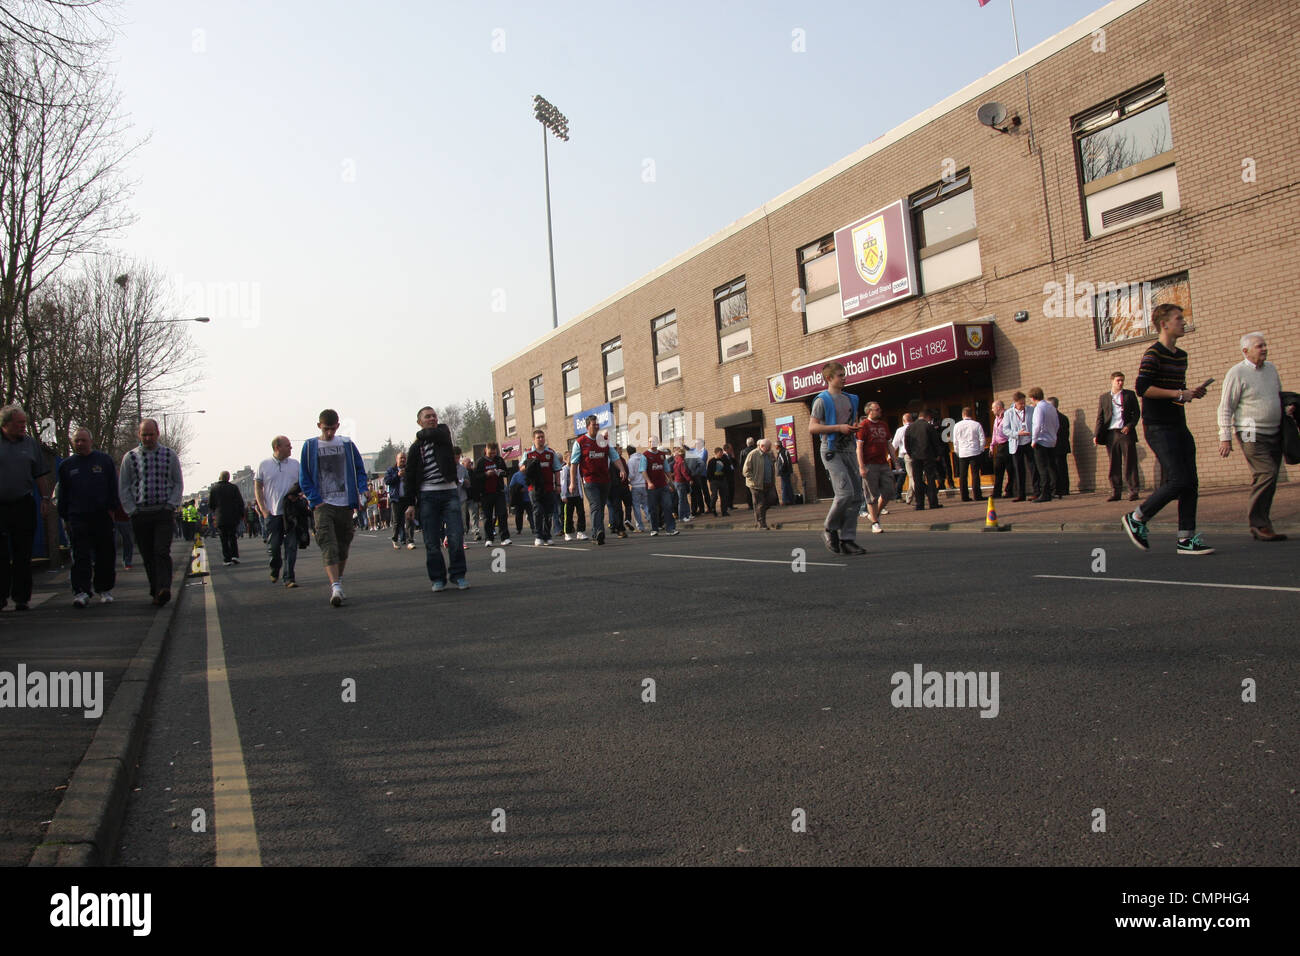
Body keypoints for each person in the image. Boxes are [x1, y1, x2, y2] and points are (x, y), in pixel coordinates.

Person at [1122, 304, 1213, 555]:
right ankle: (1137, 517)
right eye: (1179, 319)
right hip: (1158, 427)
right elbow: (1143, 388)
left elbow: (1173, 395)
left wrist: (1188, 394)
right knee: (1177, 480)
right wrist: (1178, 393)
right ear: (1164, 324)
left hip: (1178, 423)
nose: (1183, 322)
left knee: (1191, 483)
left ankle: (1186, 539)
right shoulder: (1153, 354)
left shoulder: (1181, 355)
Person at [1217, 332, 1297, 541]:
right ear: (1246, 351)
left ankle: (1263, 523)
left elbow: (1276, 396)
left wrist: (1286, 408)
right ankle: (1258, 524)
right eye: (1259, 346)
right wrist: (1224, 436)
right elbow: (1226, 406)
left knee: (1268, 476)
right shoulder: (1237, 373)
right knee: (1267, 472)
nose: (1264, 349)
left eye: (1265, 345)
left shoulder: (1271, 369)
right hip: (1250, 430)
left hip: (1275, 430)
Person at [299, 408, 369, 606]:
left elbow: (359, 469)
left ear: (338, 426)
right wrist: (315, 500)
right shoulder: (310, 446)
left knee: (343, 544)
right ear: (319, 426)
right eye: (326, 429)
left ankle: (338, 580)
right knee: (328, 543)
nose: (329, 433)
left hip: (345, 503)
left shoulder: (346, 444)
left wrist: (362, 490)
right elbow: (304, 476)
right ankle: (336, 586)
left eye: (332, 429)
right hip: (323, 504)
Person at [400, 406, 467, 591]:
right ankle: (438, 579)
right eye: (427, 417)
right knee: (431, 540)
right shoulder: (415, 448)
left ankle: (458, 575)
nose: (432, 419)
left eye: (434, 416)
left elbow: (436, 433)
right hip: (427, 495)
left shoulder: (443, 433)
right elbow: (410, 477)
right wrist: (410, 504)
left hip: (449, 492)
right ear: (419, 421)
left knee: (455, 536)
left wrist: (420, 434)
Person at [118, 419, 184, 607]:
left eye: (151, 434)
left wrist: (171, 504)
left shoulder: (169, 455)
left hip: (163, 512)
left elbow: (178, 482)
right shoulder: (129, 458)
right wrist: (131, 510)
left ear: (157, 434)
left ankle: (164, 587)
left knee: (161, 551)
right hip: (140, 514)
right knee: (147, 555)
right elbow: (123, 487)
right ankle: (156, 590)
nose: (147, 438)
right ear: (139, 435)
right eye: (144, 434)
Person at [57, 427, 119, 608]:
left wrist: (112, 509)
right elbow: (63, 494)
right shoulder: (66, 466)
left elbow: (113, 487)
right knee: (80, 555)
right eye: (77, 441)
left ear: (90, 442)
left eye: (83, 440)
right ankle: (81, 591)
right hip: (77, 517)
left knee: (105, 554)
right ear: (72, 443)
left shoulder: (104, 461)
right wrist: (65, 517)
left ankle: (104, 589)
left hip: (101, 516)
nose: (80, 444)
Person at [0, 406, 53, 612]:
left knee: (23, 553)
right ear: (6, 425)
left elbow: (40, 474)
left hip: (23, 503)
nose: (24, 427)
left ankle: (22, 597)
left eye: (24, 423)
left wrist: (45, 498)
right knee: (1, 554)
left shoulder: (30, 444)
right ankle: (1, 596)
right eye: (19, 423)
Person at [808, 361, 865, 554]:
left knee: (857, 496)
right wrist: (838, 428)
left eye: (844, 374)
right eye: (840, 375)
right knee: (845, 493)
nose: (844, 378)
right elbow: (813, 427)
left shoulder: (851, 399)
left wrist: (854, 427)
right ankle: (829, 528)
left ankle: (847, 539)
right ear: (829, 378)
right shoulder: (822, 400)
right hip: (831, 450)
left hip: (849, 448)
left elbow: (850, 421)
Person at [255, 435, 301, 588]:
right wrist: (263, 509)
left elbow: (303, 484)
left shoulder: (295, 464)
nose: (291, 448)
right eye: (288, 445)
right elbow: (258, 488)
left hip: (290, 513)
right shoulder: (264, 465)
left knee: (291, 546)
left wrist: (299, 495)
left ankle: (289, 577)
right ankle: (275, 568)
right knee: (274, 547)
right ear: (277, 447)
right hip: (273, 514)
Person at [570, 415, 620, 544]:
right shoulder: (580, 442)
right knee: (596, 505)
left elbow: (614, 457)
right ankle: (597, 532)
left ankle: (598, 533)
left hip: (605, 480)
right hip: (589, 480)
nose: (597, 426)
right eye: (594, 424)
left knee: (600, 506)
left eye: (598, 424)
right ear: (587, 427)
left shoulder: (604, 441)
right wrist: (572, 482)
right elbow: (574, 464)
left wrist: (623, 470)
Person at [1094, 372, 1141, 502]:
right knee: (1114, 463)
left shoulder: (1129, 395)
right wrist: (1096, 434)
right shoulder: (1104, 397)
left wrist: (1130, 426)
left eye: (1122, 381)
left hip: (1126, 433)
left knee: (1130, 462)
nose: (1121, 383)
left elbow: (1136, 413)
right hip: (1111, 434)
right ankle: (1116, 492)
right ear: (1112, 381)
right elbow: (1100, 417)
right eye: (1118, 380)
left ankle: (1133, 491)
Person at [855, 402, 895, 534]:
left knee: (889, 491)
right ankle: (875, 522)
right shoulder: (863, 426)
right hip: (869, 464)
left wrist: (896, 461)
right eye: (877, 409)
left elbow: (889, 444)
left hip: (883, 463)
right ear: (870, 412)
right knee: (871, 495)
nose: (880, 411)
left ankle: (875, 515)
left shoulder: (883, 425)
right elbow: (859, 448)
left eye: (879, 409)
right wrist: (861, 466)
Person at [524, 429, 562, 546]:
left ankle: (547, 536)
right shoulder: (528, 453)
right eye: (538, 437)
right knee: (537, 511)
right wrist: (529, 466)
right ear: (533, 439)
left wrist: (558, 485)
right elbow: (522, 468)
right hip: (534, 488)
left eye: (542, 437)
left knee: (548, 513)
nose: (541, 439)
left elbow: (556, 470)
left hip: (549, 487)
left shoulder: (550, 453)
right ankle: (538, 536)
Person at [474, 442, 512, 546]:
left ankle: (505, 537)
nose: (492, 455)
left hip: (498, 491)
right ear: (486, 450)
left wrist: (501, 472)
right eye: (490, 453)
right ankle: (488, 538)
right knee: (487, 517)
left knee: (502, 514)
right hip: (485, 493)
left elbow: (506, 473)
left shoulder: (499, 460)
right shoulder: (480, 462)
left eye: (494, 453)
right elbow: (476, 477)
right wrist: (486, 474)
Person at [640, 436, 677, 537]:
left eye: (654, 441)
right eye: (650, 441)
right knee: (653, 508)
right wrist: (649, 482)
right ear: (648, 443)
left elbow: (666, 469)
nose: (652, 443)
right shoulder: (645, 455)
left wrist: (670, 481)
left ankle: (670, 529)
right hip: (652, 487)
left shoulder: (662, 455)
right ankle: (654, 529)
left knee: (668, 505)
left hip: (663, 485)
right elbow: (643, 471)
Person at [904, 409, 940, 511]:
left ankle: (919, 503)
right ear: (927, 417)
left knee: (917, 480)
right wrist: (937, 454)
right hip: (928, 455)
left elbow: (907, 443)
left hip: (915, 457)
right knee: (931, 479)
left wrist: (911, 454)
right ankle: (933, 502)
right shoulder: (929, 426)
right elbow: (935, 441)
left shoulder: (910, 428)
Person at [1027, 387, 1058, 503]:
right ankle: (1055, 490)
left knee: (1042, 468)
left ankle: (1045, 493)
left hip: (1041, 440)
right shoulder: (1051, 407)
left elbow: (1037, 425)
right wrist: (1054, 436)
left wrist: (1034, 440)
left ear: (1033, 398)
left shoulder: (1039, 408)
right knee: (1051, 466)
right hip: (1051, 440)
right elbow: (1056, 423)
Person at [209, 470, 246, 566]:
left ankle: (227, 559)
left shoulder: (214, 489)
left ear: (220, 477)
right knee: (232, 536)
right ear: (228, 478)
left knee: (223, 538)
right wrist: (241, 514)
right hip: (233, 517)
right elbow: (240, 503)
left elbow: (211, 504)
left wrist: (215, 513)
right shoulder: (233, 488)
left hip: (220, 517)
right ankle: (234, 556)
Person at [1000, 392, 1032, 501]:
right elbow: (1005, 430)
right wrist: (1017, 433)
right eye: (1021, 403)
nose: (1023, 405)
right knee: (1019, 469)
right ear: (1015, 402)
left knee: (1033, 467)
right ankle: (1021, 494)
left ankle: (1037, 491)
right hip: (1016, 443)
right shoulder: (1009, 413)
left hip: (1028, 441)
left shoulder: (1030, 410)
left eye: (1024, 403)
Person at [951, 406, 986, 502]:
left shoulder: (957, 425)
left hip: (963, 452)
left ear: (963, 415)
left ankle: (964, 496)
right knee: (975, 474)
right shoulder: (976, 425)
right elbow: (982, 439)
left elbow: (955, 441)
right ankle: (977, 495)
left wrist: (957, 451)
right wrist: (981, 449)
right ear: (972, 414)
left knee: (963, 475)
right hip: (974, 451)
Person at [742, 438, 778, 530]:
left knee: (772, 499)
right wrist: (754, 479)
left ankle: (758, 512)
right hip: (756, 484)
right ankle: (761, 524)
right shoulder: (753, 454)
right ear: (762, 446)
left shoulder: (769, 454)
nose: (770, 448)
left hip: (768, 483)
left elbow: (772, 464)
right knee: (760, 503)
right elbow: (745, 471)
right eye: (768, 447)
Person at [1048, 397, 1071, 495]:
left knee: (1056, 469)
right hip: (1063, 446)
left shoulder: (1052, 418)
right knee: (1063, 468)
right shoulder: (1064, 417)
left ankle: (1057, 489)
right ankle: (1065, 489)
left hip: (1055, 447)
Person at [559, 458, 587, 540]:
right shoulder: (564, 469)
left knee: (581, 513)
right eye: (570, 458)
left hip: (578, 495)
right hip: (568, 496)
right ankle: (567, 532)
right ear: (566, 459)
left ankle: (580, 531)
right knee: (568, 515)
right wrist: (563, 495)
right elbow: (563, 483)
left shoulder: (577, 468)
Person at [989, 402, 1010, 499]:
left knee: (1010, 469)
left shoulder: (1007, 416)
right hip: (999, 446)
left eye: (993, 408)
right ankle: (997, 492)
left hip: (1007, 444)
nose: (992, 410)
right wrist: (992, 445)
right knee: (998, 469)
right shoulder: (996, 419)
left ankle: (1009, 491)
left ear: (998, 407)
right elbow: (994, 433)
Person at [890, 412, 913, 504]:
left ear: (903, 421)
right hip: (913, 455)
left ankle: (898, 495)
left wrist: (890, 456)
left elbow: (895, 444)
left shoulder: (900, 430)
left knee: (901, 477)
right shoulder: (914, 428)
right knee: (914, 476)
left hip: (902, 455)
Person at [626, 444, 649, 530]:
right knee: (646, 505)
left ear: (628, 453)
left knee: (636, 507)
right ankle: (652, 520)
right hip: (645, 484)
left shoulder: (631, 461)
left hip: (636, 486)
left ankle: (640, 526)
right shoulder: (643, 457)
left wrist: (628, 481)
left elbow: (631, 475)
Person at [706, 448, 731, 516]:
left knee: (724, 496)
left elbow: (727, 469)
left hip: (722, 480)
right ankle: (713, 508)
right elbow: (709, 472)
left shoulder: (724, 460)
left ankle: (724, 511)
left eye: (722, 453)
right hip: (714, 481)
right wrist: (710, 480)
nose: (721, 454)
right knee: (714, 496)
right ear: (716, 453)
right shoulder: (711, 461)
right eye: (720, 452)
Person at [672, 446, 693, 523]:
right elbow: (684, 472)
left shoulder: (677, 461)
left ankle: (687, 514)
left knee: (683, 499)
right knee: (682, 500)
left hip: (677, 482)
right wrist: (689, 479)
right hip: (681, 482)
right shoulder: (682, 462)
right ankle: (682, 516)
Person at [775, 440, 795, 506]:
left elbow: (784, 462)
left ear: (778, 446)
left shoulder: (781, 452)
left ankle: (785, 500)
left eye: (775, 446)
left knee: (784, 486)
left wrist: (781, 470)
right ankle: (790, 500)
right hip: (787, 471)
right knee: (788, 485)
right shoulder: (785, 451)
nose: (775, 447)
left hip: (784, 472)